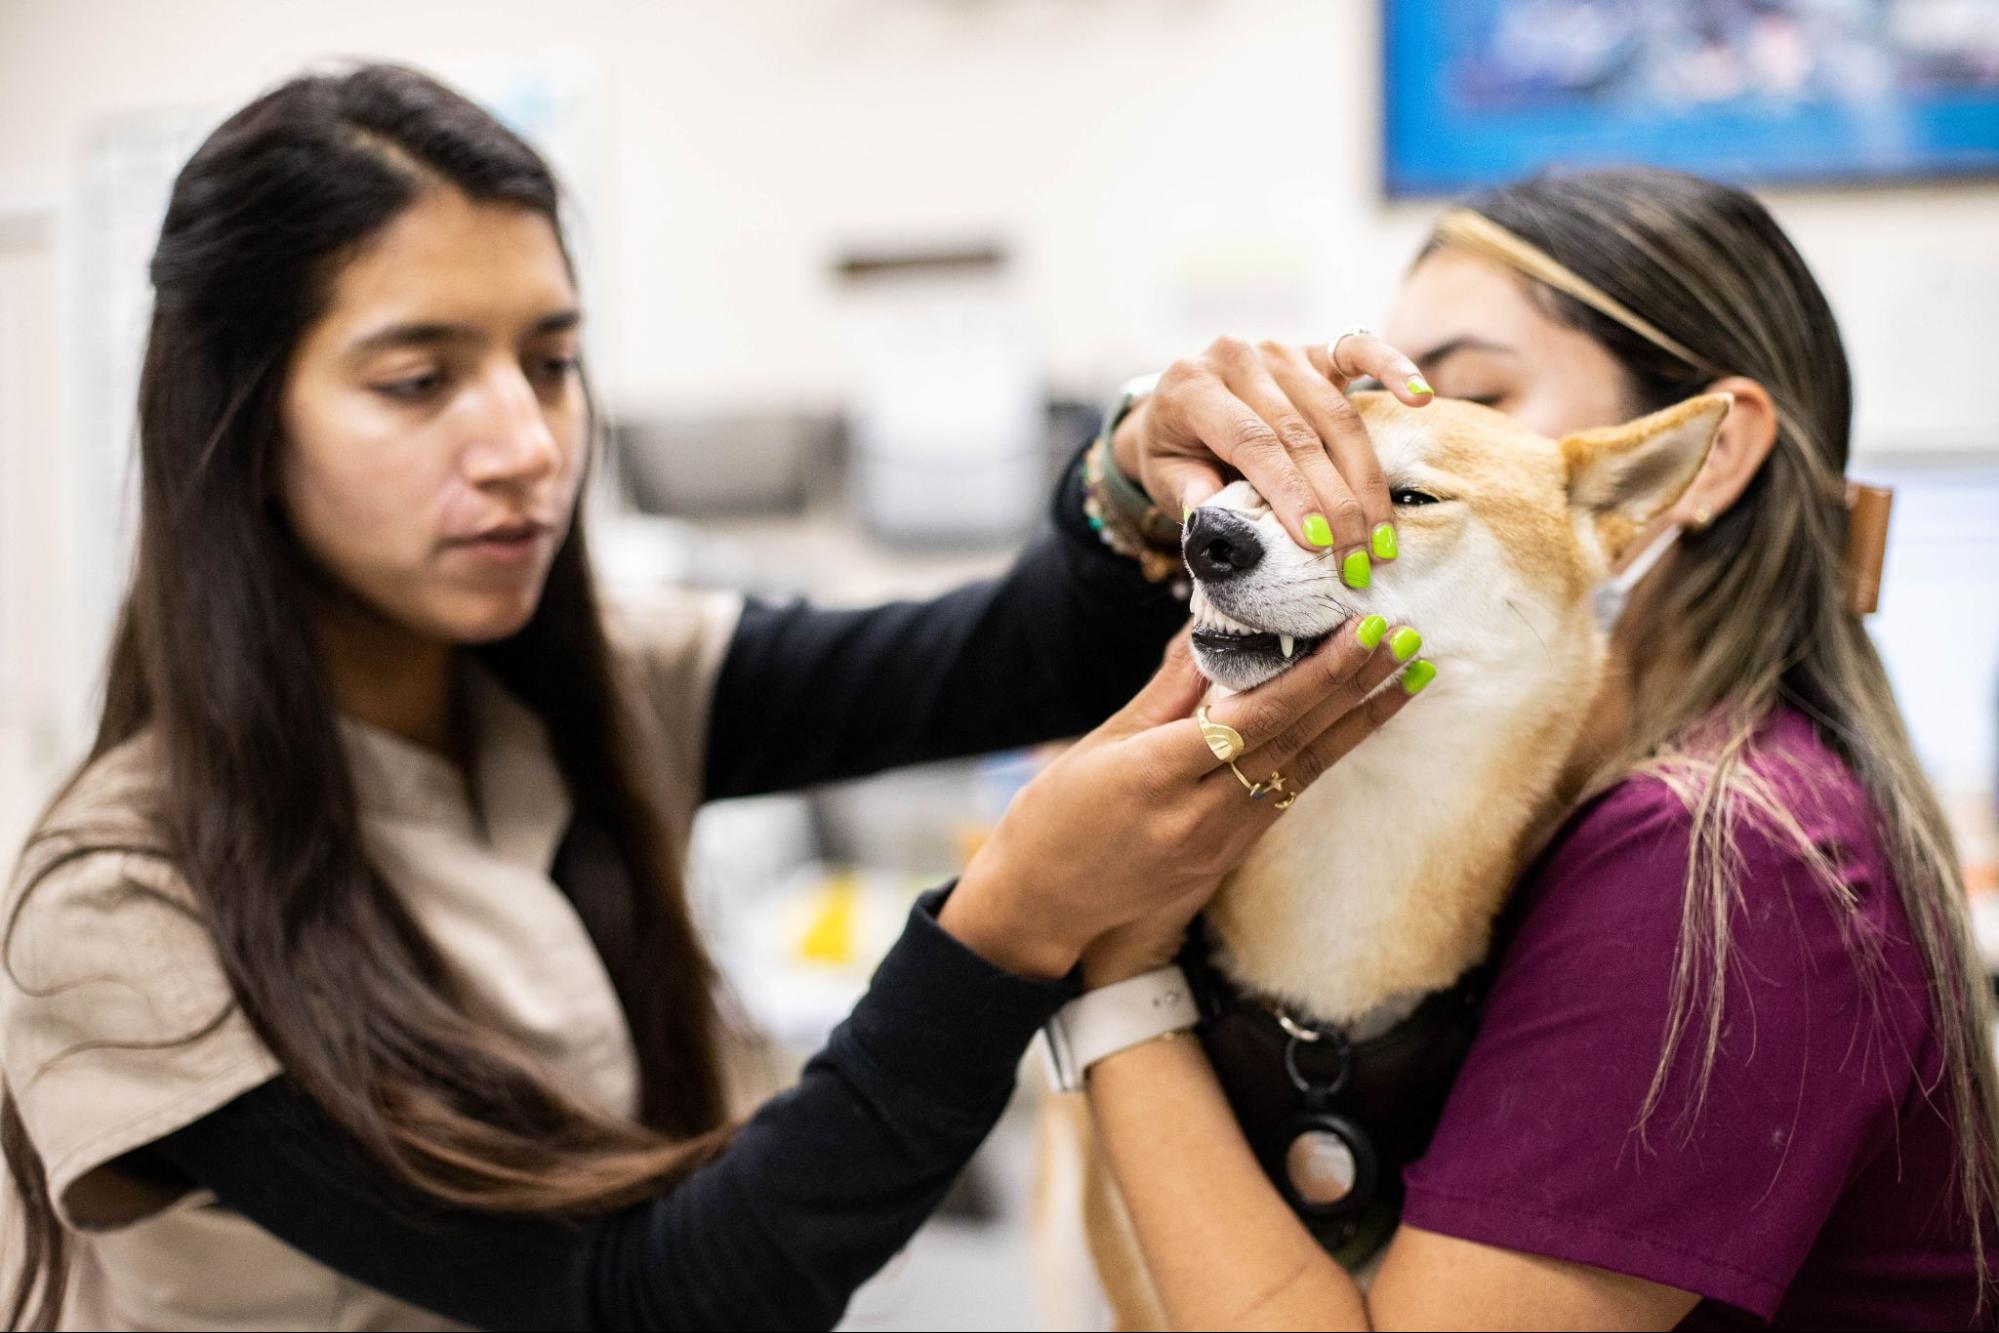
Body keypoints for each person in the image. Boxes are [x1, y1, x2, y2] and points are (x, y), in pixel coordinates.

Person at [0, 63, 1438, 1332]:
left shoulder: (590, 681)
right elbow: (644, 1298)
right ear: (242, 427)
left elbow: (994, 661)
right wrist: (1013, 920)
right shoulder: (120, 912)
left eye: (551, 363)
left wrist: (1128, 461)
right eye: (417, 378)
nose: (522, 442)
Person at [1084, 167, 1999, 1329]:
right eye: (1361, 401)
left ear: (1689, 465)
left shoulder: (1727, 860)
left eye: (1464, 393)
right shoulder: (1604, 819)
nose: (1348, 463)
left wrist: (1108, 970)